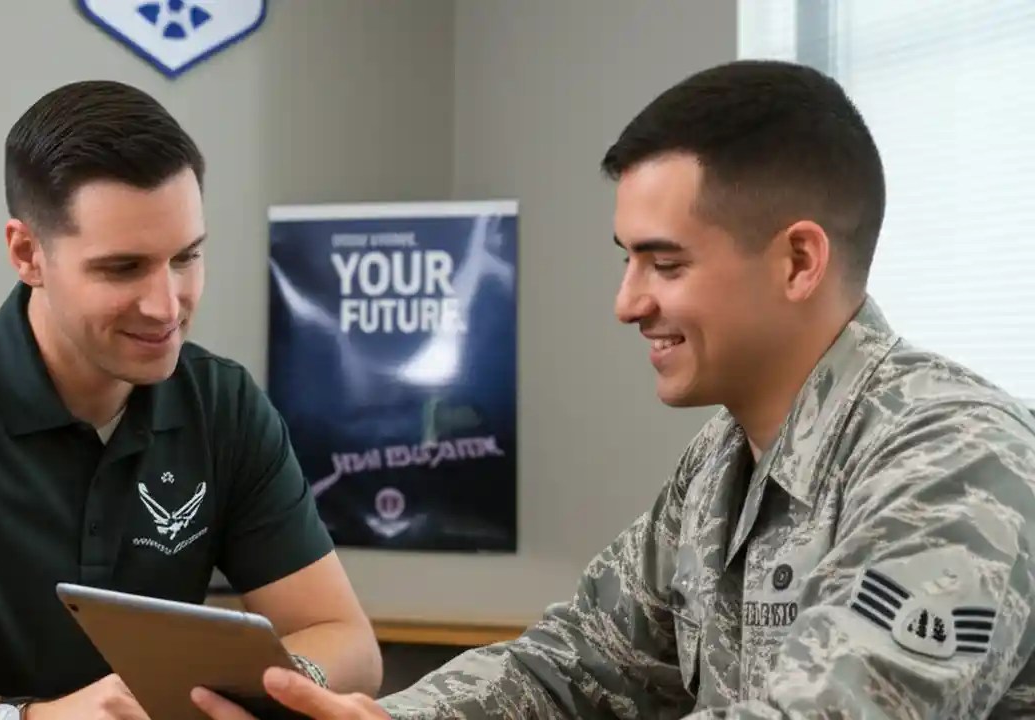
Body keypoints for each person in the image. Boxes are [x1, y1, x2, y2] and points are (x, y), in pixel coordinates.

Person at [191, 59, 1035, 719]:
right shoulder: (719, 466)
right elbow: (570, 667)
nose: (628, 302)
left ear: (799, 260)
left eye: (665, 263)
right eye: (627, 260)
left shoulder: (958, 459)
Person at [0, 79, 382, 719]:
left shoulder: (223, 404)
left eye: (186, 257)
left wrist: (276, 682)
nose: (168, 306)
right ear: (28, 253)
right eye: (122, 268)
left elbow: (346, 639)